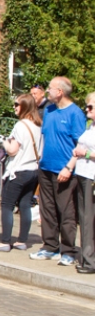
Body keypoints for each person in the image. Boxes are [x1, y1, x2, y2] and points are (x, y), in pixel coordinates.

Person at [30, 76, 87, 265]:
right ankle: (49, 246)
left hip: (64, 170)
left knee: (66, 211)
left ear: (60, 92)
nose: (47, 91)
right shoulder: (49, 110)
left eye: (50, 88)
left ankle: (69, 250)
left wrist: (68, 167)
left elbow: (81, 144)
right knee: (47, 209)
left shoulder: (75, 114)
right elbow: (45, 137)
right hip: (46, 167)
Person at [0, 93, 43, 252]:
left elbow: (12, 150)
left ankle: (5, 241)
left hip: (18, 171)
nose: (14, 107)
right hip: (33, 171)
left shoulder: (20, 126)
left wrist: (2, 141)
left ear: (25, 106)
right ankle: (22, 241)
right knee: (25, 205)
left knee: (7, 205)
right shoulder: (38, 126)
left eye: (17, 104)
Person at [71, 92, 95, 273]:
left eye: (91, 107)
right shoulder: (91, 126)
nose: (87, 110)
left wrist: (84, 153)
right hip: (83, 174)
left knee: (88, 219)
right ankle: (86, 257)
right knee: (84, 217)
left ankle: (89, 261)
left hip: (91, 177)